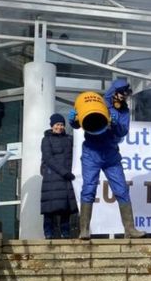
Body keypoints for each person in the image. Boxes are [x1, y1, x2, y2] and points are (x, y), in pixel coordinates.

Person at [69, 78, 145, 240]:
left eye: (126, 94)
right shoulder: (100, 104)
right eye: (122, 93)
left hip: (111, 154)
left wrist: (116, 124)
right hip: (91, 153)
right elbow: (80, 123)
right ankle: (84, 229)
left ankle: (130, 229)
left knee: (122, 190)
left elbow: (122, 132)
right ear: (115, 92)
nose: (124, 97)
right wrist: (73, 120)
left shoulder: (124, 112)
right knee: (89, 189)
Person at [40, 113, 78, 239]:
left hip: (67, 178)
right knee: (50, 208)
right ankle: (48, 233)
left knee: (65, 208)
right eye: (57, 124)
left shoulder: (69, 139)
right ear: (52, 126)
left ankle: (65, 232)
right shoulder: (46, 140)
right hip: (53, 177)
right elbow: (48, 158)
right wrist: (64, 172)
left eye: (62, 124)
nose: (60, 127)